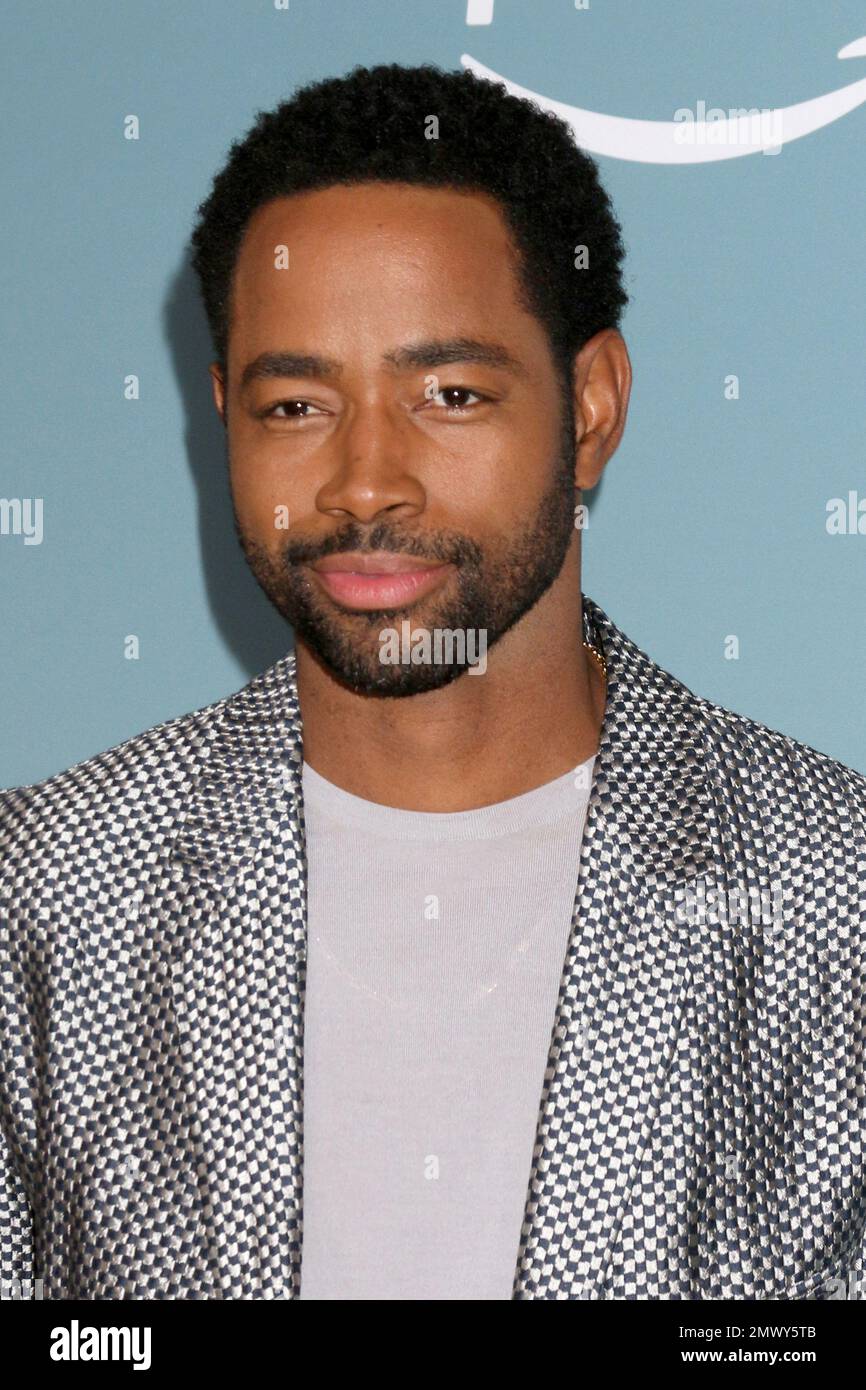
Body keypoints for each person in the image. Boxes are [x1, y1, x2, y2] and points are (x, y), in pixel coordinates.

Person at [1, 62, 864, 1302]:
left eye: (447, 394)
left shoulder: (829, 889)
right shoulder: (47, 894)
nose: (364, 482)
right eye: (295, 403)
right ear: (219, 420)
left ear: (591, 406)